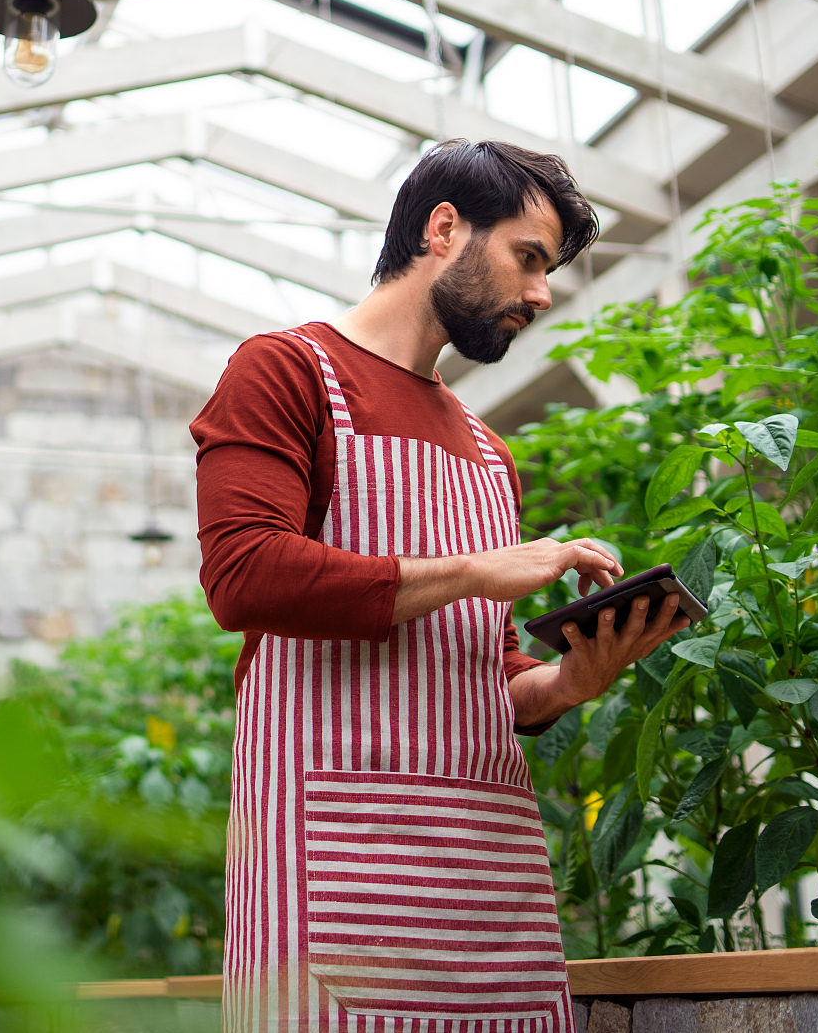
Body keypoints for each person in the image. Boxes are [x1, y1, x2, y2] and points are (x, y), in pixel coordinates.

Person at [191, 138, 691, 1033]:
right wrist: (480, 571)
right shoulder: (287, 370)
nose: (540, 294)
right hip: (334, 862)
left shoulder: (487, 450)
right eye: (527, 259)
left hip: (485, 874)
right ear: (445, 228)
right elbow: (244, 572)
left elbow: (494, 678)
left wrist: (574, 682)